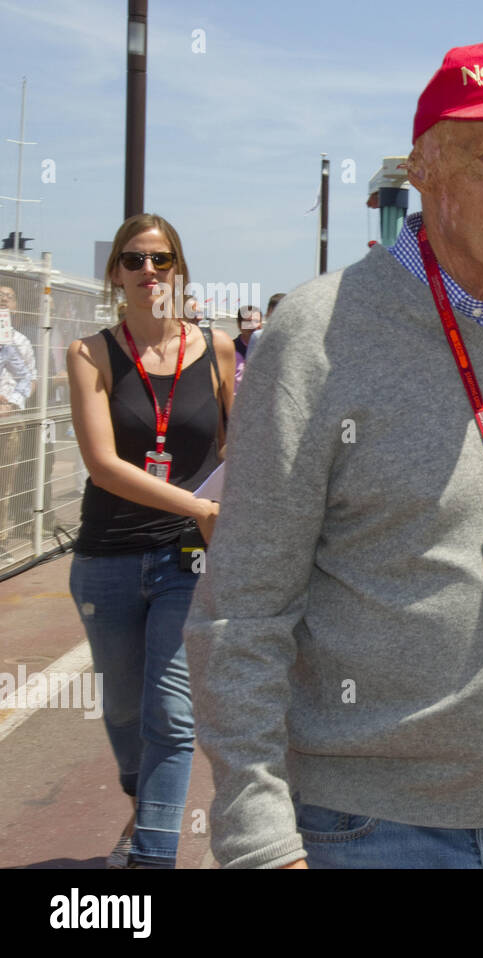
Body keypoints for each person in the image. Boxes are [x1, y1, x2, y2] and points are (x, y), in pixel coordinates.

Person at [183, 40, 483, 870]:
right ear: (426, 170)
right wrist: (259, 838)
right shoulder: (320, 333)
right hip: (373, 827)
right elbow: (244, 608)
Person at [66, 213, 234, 867]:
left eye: (161, 260)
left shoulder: (216, 349)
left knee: (170, 712)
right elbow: (102, 464)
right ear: (116, 274)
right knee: (123, 709)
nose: (149, 273)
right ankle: (145, 807)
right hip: (106, 556)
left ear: (179, 269)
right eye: (134, 261)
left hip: (188, 557)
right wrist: (197, 503)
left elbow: (237, 444)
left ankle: (152, 860)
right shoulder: (90, 354)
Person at [0, 285, 37, 549]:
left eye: (8, 297)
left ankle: (1, 539)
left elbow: (30, 377)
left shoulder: (19, 341)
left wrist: (12, 404)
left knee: (4, 481)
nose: (3, 299)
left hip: (8, 420)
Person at [232, 306, 262, 391]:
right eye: (248, 322)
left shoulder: (267, 350)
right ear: (239, 324)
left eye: (256, 321)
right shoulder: (230, 350)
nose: (253, 325)